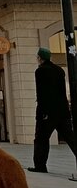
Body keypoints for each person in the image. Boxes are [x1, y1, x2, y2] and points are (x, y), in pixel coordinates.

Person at [29, 47, 76, 175]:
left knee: (41, 139)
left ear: (40, 58)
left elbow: (42, 93)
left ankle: (40, 166)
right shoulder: (59, 70)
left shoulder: (40, 71)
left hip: (48, 112)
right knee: (71, 138)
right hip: (62, 111)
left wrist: (42, 112)